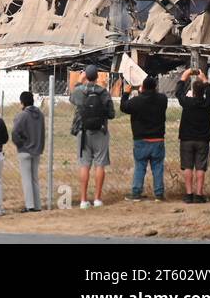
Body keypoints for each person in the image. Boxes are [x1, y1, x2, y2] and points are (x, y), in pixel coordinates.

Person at [70, 65, 115, 208]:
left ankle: (83, 200)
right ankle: (97, 199)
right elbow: (111, 114)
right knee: (100, 164)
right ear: (97, 77)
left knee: (85, 165)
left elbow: (72, 99)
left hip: (83, 132)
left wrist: (79, 81)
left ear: (86, 76)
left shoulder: (79, 91)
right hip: (100, 131)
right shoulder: (103, 92)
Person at [121, 74, 168, 201]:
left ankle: (136, 193)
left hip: (141, 140)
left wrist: (126, 93)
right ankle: (159, 193)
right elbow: (156, 96)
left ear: (143, 88)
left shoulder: (137, 101)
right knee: (158, 168)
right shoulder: (162, 99)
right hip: (158, 139)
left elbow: (124, 107)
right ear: (155, 87)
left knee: (140, 167)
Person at [175, 67, 210, 204]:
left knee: (187, 166)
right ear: (203, 91)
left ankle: (188, 193)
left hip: (186, 138)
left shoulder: (187, 102)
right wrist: (205, 80)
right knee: (200, 167)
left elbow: (178, 92)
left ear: (193, 91)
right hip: (202, 139)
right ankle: (199, 194)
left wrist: (185, 75)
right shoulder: (207, 104)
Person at [10, 90, 45, 212]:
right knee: (34, 178)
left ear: (22, 102)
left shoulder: (22, 115)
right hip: (36, 149)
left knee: (26, 179)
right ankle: (37, 205)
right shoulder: (40, 114)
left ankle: (29, 205)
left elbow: (15, 132)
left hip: (24, 150)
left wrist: (20, 143)